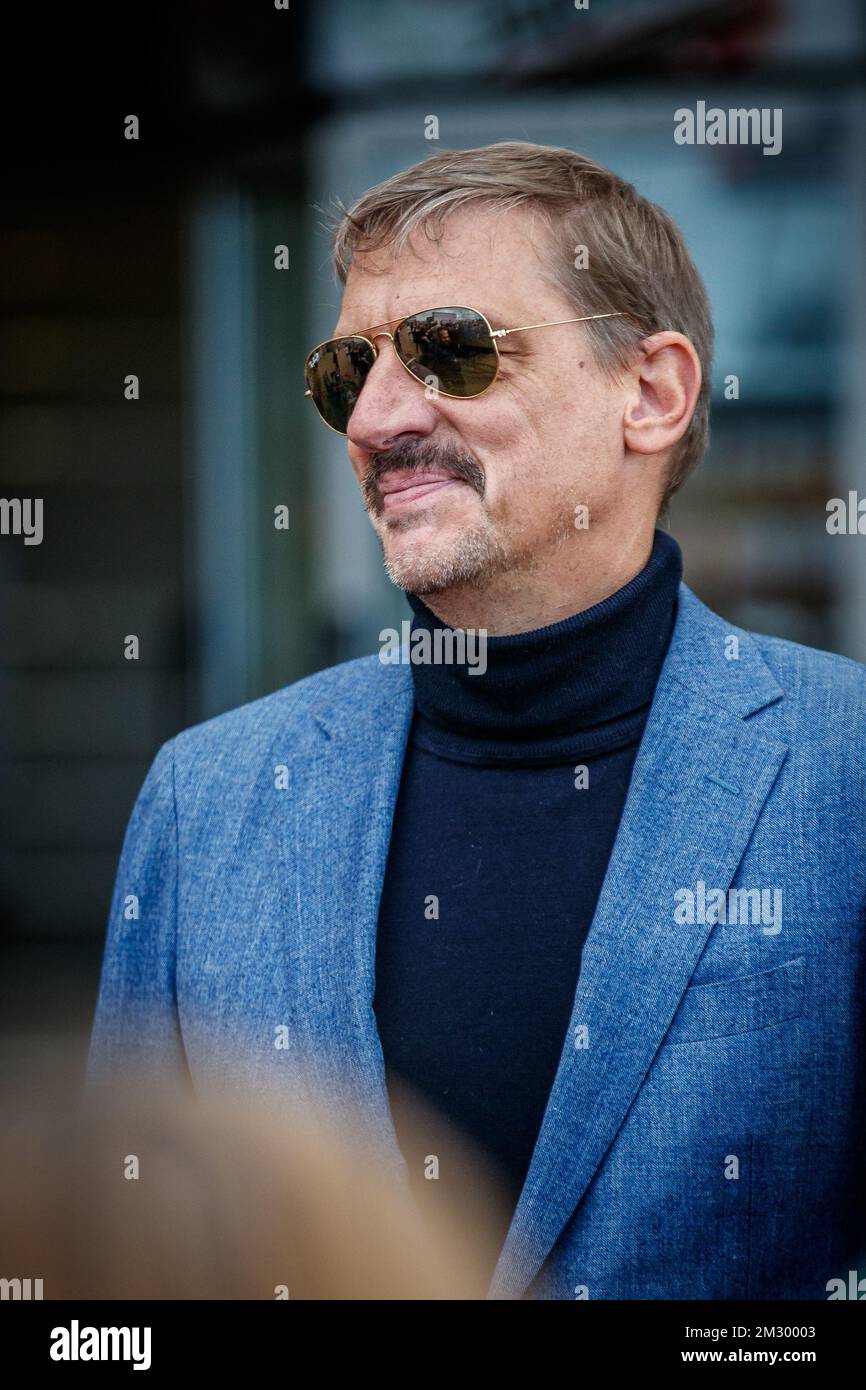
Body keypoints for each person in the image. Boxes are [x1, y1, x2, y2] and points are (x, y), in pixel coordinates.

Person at [88, 140, 866, 1300]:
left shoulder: (839, 767)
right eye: (347, 374)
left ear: (648, 394)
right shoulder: (211, 797)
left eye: (448, 350)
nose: (375, 421)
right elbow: (124, 1266)